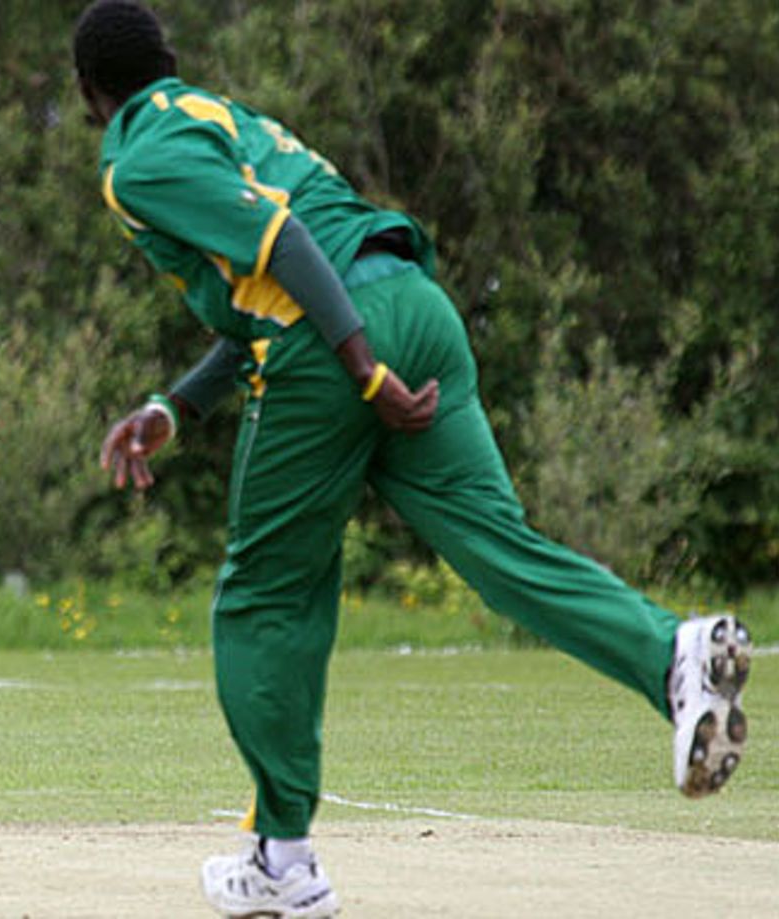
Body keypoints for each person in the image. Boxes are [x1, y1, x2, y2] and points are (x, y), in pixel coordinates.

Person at [71, 3, 752, 916]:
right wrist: (176, 403)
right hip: (418, 304)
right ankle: (668, 651)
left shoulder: (136, 156)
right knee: (497, 547)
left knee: (266, 597)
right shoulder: (234, 121)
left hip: (338, 343)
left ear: (89, 93)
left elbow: (285, 249)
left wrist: (362, 367)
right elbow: (267, 280)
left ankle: (282, 858)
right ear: (173, 60)